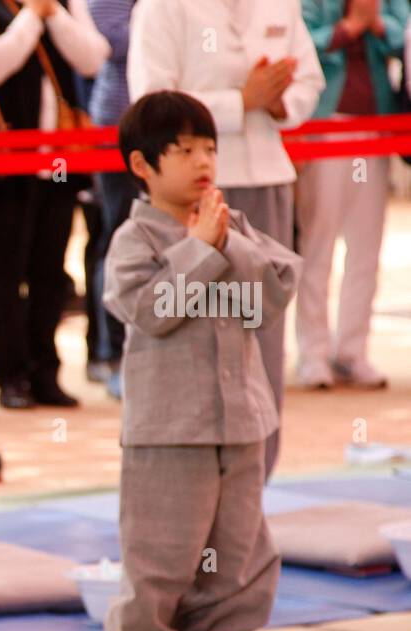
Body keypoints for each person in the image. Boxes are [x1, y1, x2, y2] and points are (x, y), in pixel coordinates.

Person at [102, 91, 300, 631]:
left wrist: (225, 241)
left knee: (237, 552)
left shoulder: (230, 224)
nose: (202, 161)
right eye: (184, 150)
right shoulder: (132, 240)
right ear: (143, 165)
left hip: (240, 422)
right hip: (169, 431)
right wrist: (198, 248)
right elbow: (151, 311)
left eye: (210, 148)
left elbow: (274, 295)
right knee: (162, 553)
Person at [128, 0, 324, 477]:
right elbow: (151, 103)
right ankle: (199, 475)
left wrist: (279, 102)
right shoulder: (161, 8)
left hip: (266, 180)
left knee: (262, 336)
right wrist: (240, 101)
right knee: (200, 331)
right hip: (190, 192)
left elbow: (309, 80)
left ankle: (255, 474)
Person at [0, 0, 109, 410]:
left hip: (62, 162)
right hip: (9, 163)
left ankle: (46, 373)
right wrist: (32, 15)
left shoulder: (63, 4)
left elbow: (92, 58)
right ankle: (10, 376)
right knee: (6, 274)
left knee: (51, 272)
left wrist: (54, 13)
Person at [294, 0, 408, 389]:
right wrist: (347, 29)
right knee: (318, 243)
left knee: (366, 247)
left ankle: (352, 350)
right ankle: (312, 353)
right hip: (326, 129)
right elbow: (301, 41)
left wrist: (375, 25)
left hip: (376, 128)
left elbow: (404, 39)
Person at [84, 0, 137, 399]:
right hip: (117, 128)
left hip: (170, 133)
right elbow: (109, 42)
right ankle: (111, 352)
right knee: (118, 238)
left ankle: (139, 351)